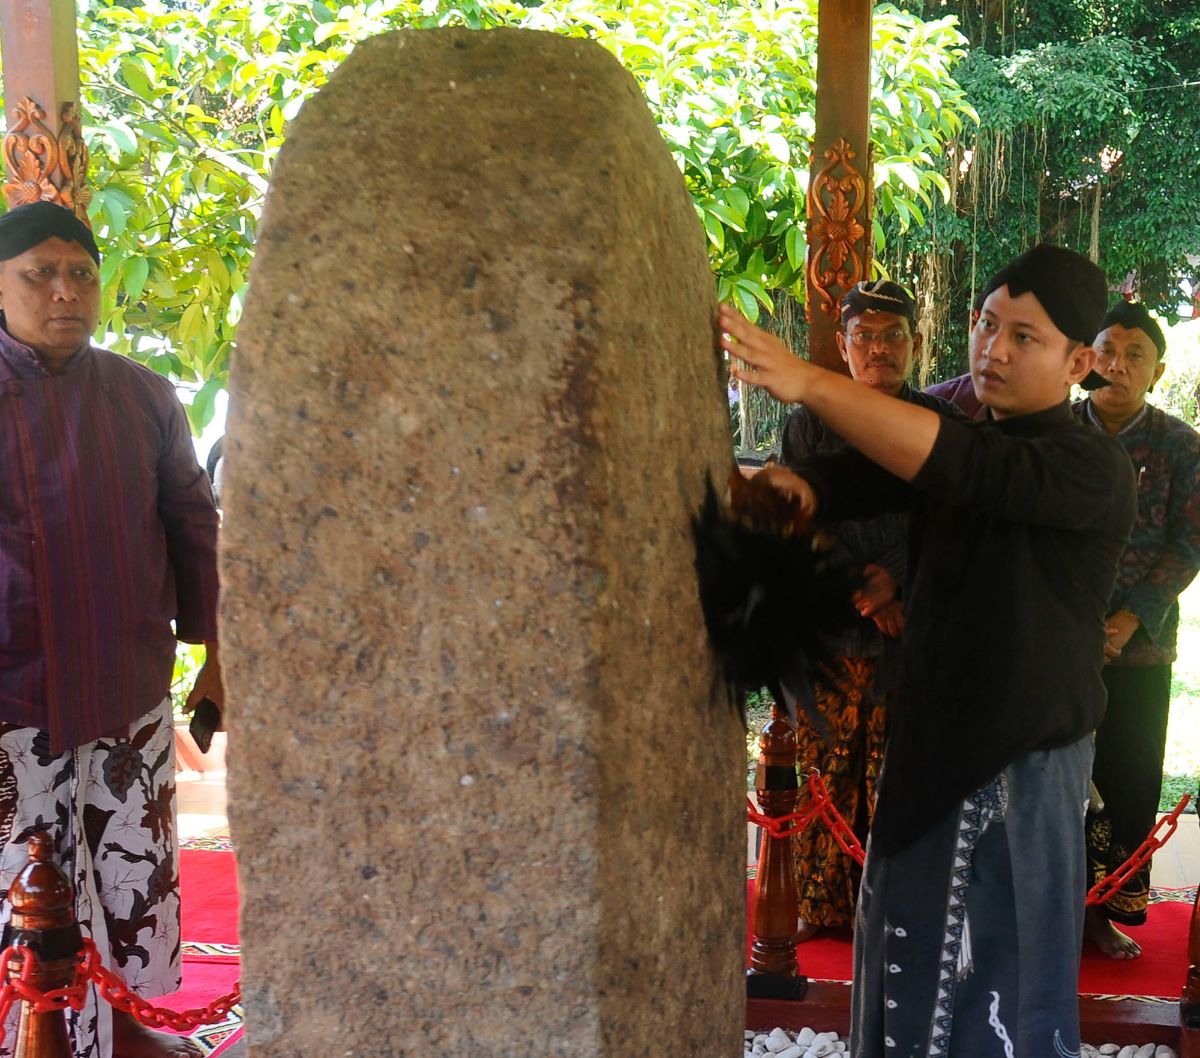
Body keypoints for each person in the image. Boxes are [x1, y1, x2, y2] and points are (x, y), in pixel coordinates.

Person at [721, 244, 1136, 1057]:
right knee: (904, 969)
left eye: (1025, 336)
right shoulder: (962, 431)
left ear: (1079, 361)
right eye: (987, 325)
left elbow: (964, 467)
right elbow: (868, 474)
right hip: (928, 751)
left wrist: (808, 381)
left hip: (1023, 764)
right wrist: (802, 491)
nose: (993, 348)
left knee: (1000, 991)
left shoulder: (1090, 466)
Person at [0, 202, 221, 1058]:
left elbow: (192, 525)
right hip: (11, 708)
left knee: (128, 889)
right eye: (39, 274)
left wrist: (219, 658)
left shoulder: (141, 394)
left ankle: (123, 1030)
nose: (65, 292)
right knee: (26, 900)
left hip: (126, 697)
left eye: (81, 273)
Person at [779, 279, 958, 938]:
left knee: (900, 772)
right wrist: (863, 584)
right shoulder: (808, 425)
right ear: (845, 347)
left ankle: (895, 909)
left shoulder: (941, 425)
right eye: (864, 337)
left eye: (892, 337)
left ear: (915, 343)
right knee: (823, 770)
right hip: (831, 630)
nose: (878, 350)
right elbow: (796, 519)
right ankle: (819, 908)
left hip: (913, 631)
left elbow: (954, 525)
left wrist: (901, 587)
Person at [1075, 300, 1200, 959]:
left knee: (1127, 778)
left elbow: (1189, 543)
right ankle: (1048, 909)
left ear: (1156, 370)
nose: (1118, 366)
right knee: (1053, 779)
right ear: (1083, 359)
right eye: (1107, 352)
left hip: (1141, 647)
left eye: (1135, 356)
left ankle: (1104, 915)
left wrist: (1130, 618)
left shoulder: (1182, 445)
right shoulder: (1054, 432)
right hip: (1056, 643)